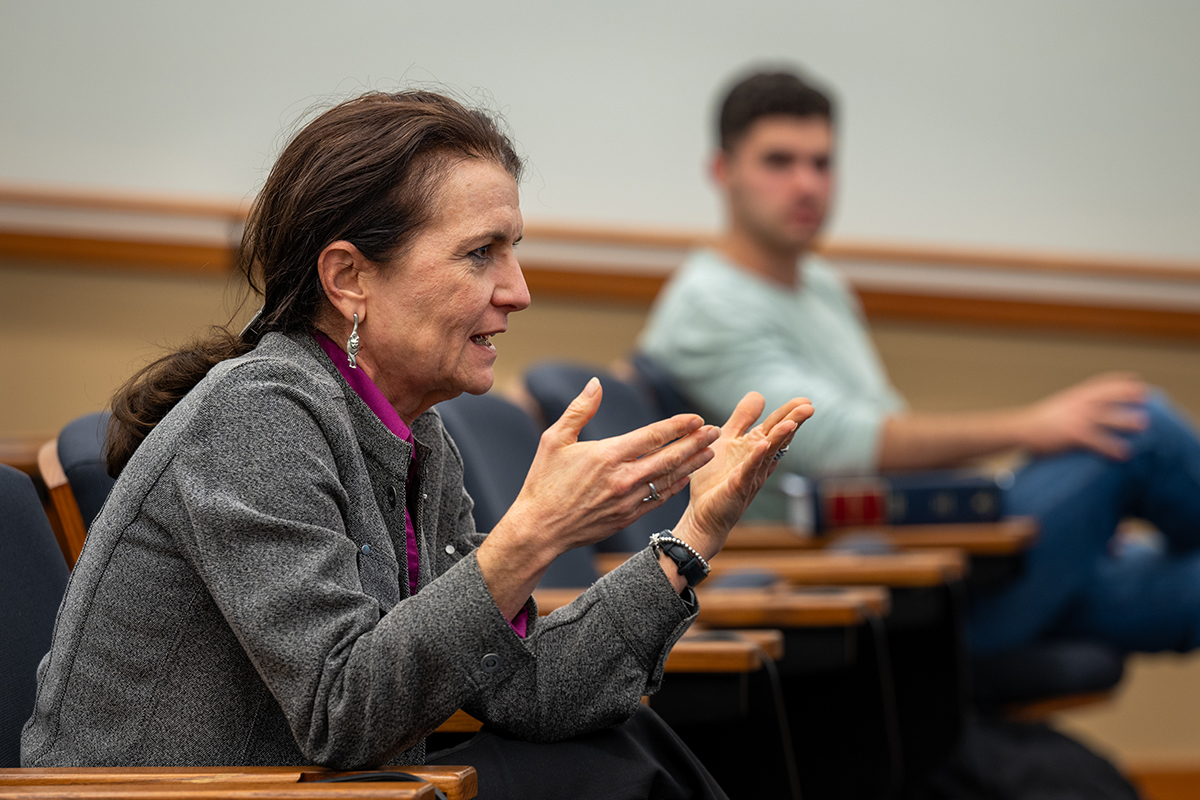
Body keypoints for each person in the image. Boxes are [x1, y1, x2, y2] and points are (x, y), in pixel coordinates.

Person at [22, 90, 814, 799]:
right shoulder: (254, 419)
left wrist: (691, 536)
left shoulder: (418, 435)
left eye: (513, 249)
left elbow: (528, 693)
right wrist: (533, 533)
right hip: (190, 795)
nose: (518, 290)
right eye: (481, 253)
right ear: (349, 279)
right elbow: (344, 712)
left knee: (623, 743)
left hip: (329, 786)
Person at [639, 68, 1200, 656]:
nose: (806, 184)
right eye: (779, 162)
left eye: (822, 163)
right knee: (1139, 425)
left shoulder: (821, 288)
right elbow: (840, 449)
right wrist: (1032, 427)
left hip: (928, 545)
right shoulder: (707, 305)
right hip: (870, 591)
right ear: (722, 171)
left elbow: (886, 446)